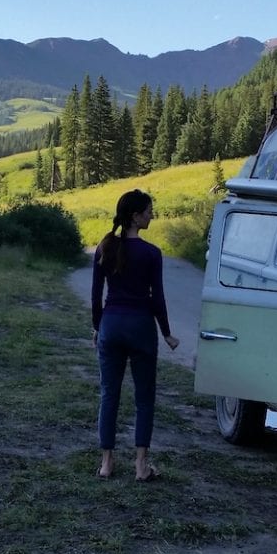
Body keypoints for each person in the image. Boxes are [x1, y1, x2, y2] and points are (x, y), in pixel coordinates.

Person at [91, 189, 179, 481]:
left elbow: (96, 295)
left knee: (109, 394)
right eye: (149, 211)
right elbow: (157, 298)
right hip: (141, 327)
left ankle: (106, 463)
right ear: (135, 216)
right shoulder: (151, 253)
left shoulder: (105, 248)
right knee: (144, 397)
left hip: (111, 325)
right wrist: (166, 333)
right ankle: (141, 466)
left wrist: (97, 327)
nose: (152, 215)